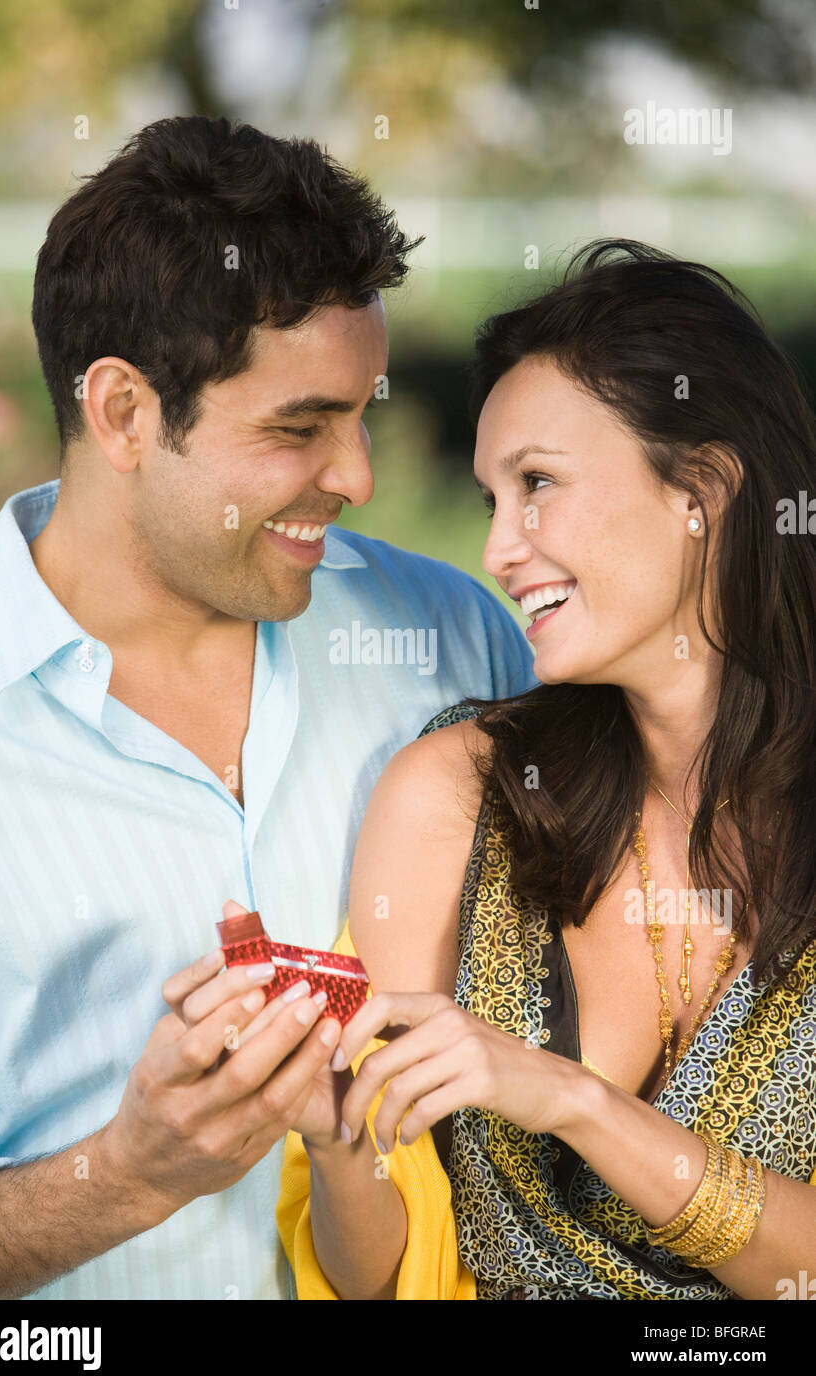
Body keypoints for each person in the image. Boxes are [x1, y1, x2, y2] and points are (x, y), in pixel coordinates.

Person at [0, 116, 534, 1301]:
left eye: (361, 412)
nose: (359, 476)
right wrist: (128, 1172)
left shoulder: (454, 639)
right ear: (120, 412)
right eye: (296, 427)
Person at [279, 239, 816, 1300]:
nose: (497, 549)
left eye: (536, 484)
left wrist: (572, 1101)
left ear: (700, 489)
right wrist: (343, 1148)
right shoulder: (455, 791)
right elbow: (383, 1279)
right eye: (489, 499)